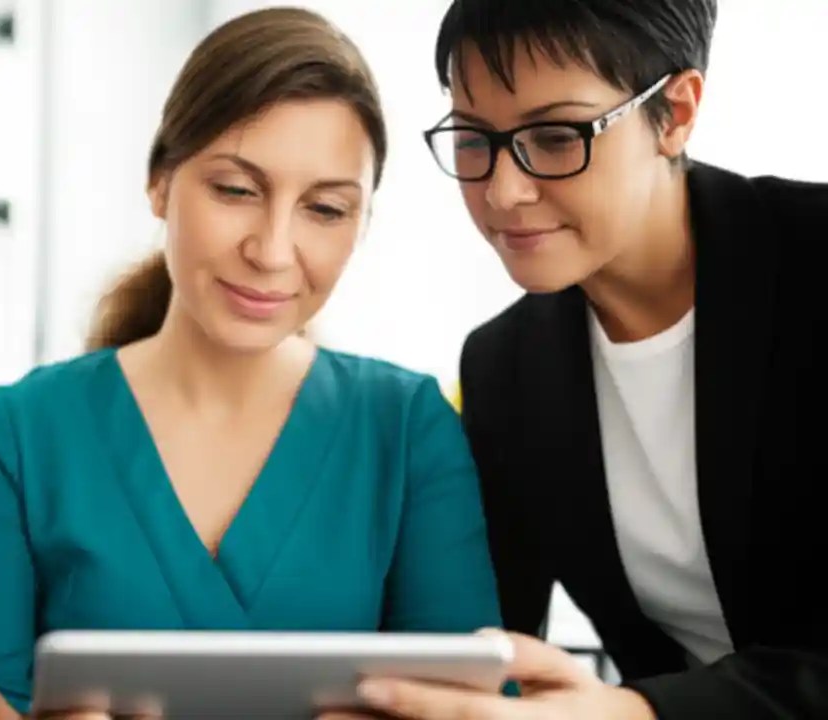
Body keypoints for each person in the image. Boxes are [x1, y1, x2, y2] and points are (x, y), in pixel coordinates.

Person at [0, 7, 503, 719]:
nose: (271, 248)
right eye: (235, 191)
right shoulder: (21, 434)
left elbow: (472, 706)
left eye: (324, 208)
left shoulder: (408, 431)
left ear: (363, 224)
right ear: (160, 181)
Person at [340, 0, 828, 718]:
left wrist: (632, 712)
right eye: (474, 139)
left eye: (557, 135)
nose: (503, 191)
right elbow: (492, 642)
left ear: (678, 111)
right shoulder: (505, 365)